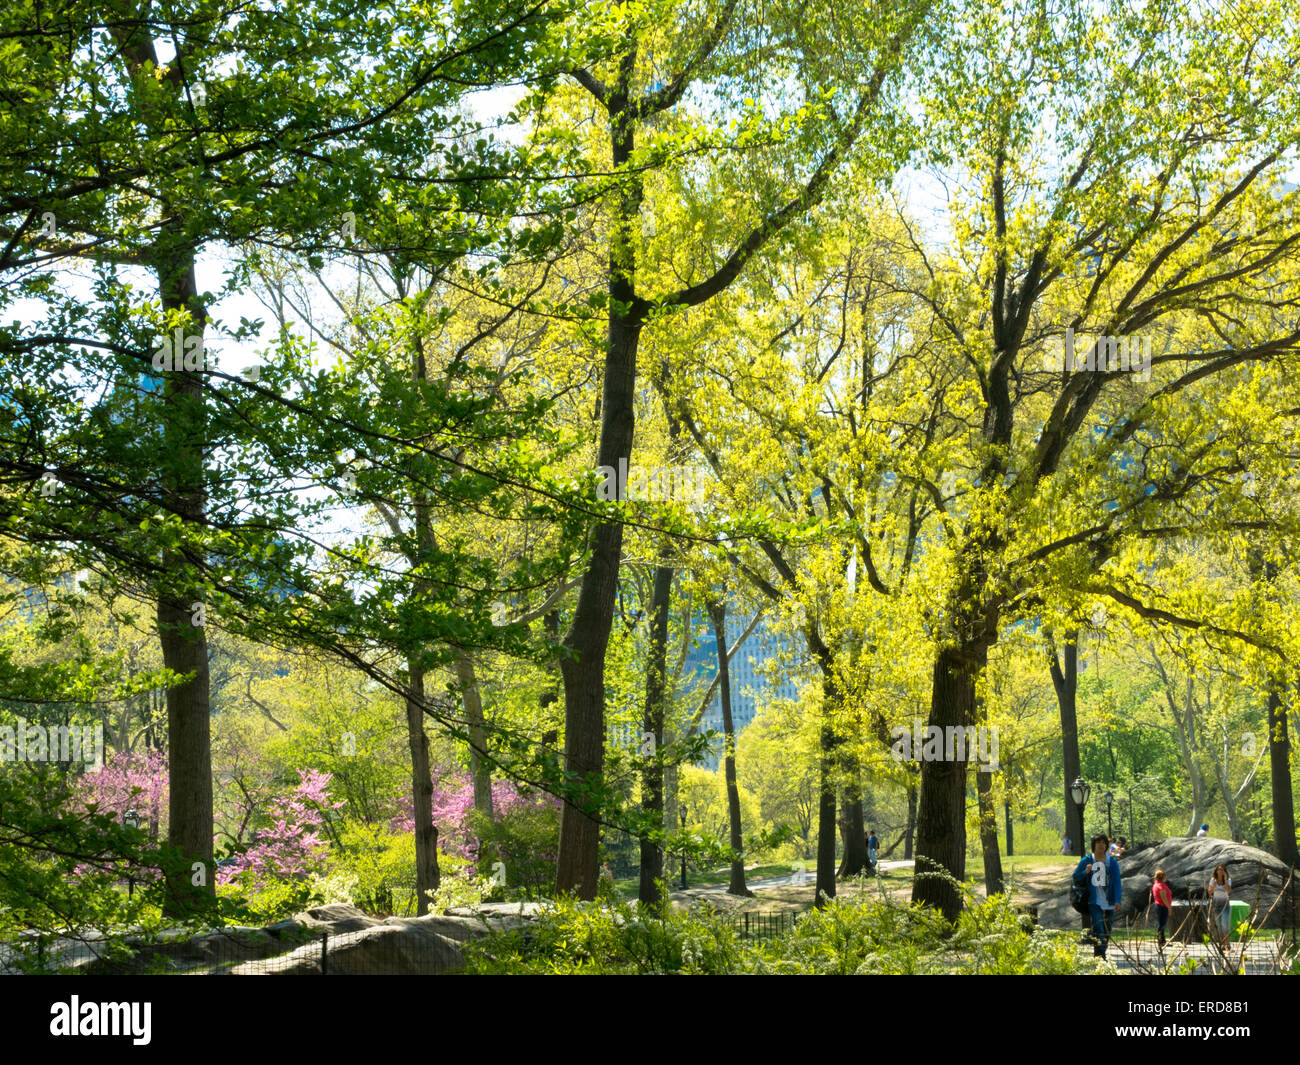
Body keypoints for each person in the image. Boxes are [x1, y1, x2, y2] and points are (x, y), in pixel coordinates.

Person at [1074, 834, 1122, 959]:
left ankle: (1101, 952)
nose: (1101, 845)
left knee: (1107, 930)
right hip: (1094, 901)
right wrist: (1086, 872)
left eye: (1103, 842)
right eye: (1098, 842)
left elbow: (1117, 881)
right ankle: (1100, 956)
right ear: (1093, 845)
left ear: (1107, 845)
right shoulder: (1087, 860)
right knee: (1099, 928)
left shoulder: (1112, 862)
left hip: (1110, 900)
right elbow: (1075, 876)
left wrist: (1117, 900)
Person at [1207, 863, 1232, 947]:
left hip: (1225, 905)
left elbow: (1228, 891)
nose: (1220, 871)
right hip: (1216, 905)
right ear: (1216, 871)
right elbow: (1209, 892)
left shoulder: (1228, 880)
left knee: (1225, 924)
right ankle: (1221, 943)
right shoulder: (1213, 880)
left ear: (1224, 871)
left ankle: (1227, 943)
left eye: (1222, 870)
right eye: (1218, 869)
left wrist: (1225, 880)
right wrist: (1213, 887)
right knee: (1218, 925)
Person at [1150, 869, 1173, 949]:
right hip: (1162, 906)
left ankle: (1162, 940)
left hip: (1160, 906)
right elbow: (1164, 897)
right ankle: (1161, 941)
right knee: (1162, 924)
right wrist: (1169, 907)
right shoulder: (1160, 885)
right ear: (1162, 877)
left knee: (1162, 923)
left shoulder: (1156, 884)